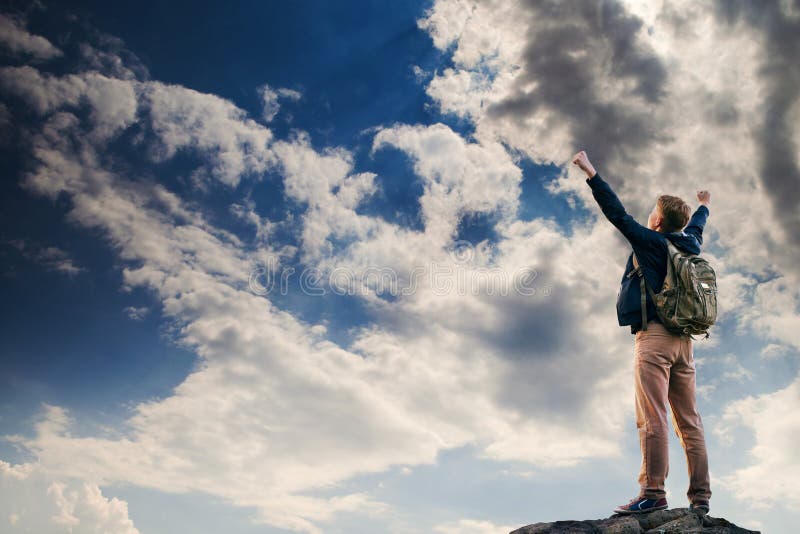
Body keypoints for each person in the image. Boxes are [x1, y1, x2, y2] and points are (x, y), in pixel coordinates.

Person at [571, 150, 712, 516]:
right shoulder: (689, 243)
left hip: (655, 340)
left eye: (653, 211)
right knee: (690, 422)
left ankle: (653, 493)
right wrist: (703, 206)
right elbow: (697, 226)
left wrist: (591, 173)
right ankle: (701, 499)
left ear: (658, 219)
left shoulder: (651, 242)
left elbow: (616, 214)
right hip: (685, 343)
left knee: (653, 417)